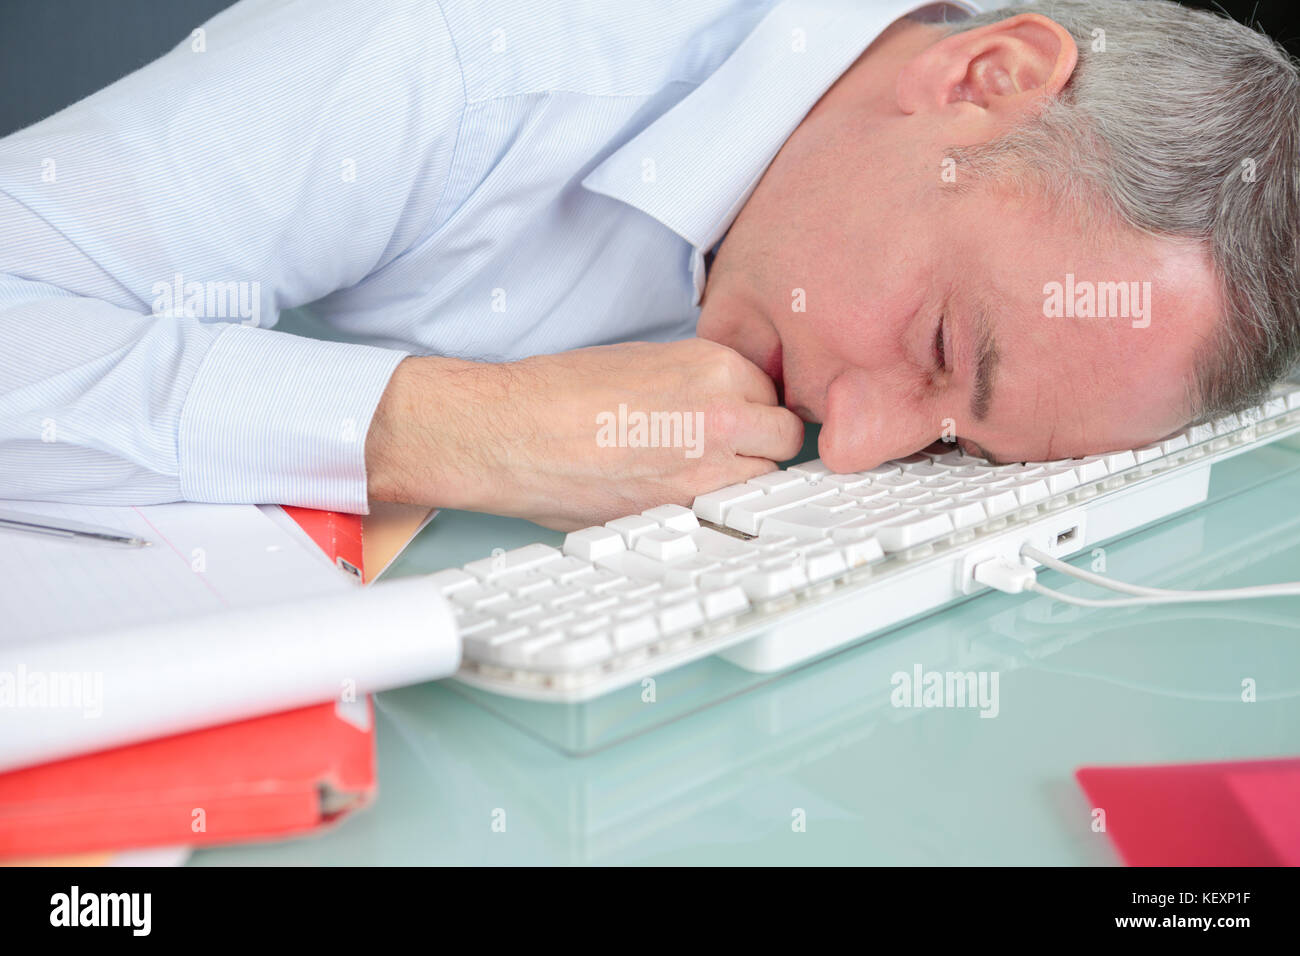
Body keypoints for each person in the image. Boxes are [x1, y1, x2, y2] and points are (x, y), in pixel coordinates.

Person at [1, 0, 1295, 530]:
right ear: (982, 79)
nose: (850, 445)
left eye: (957, 444)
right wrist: (436, 428)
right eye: (945, 349)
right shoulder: (458, 52)